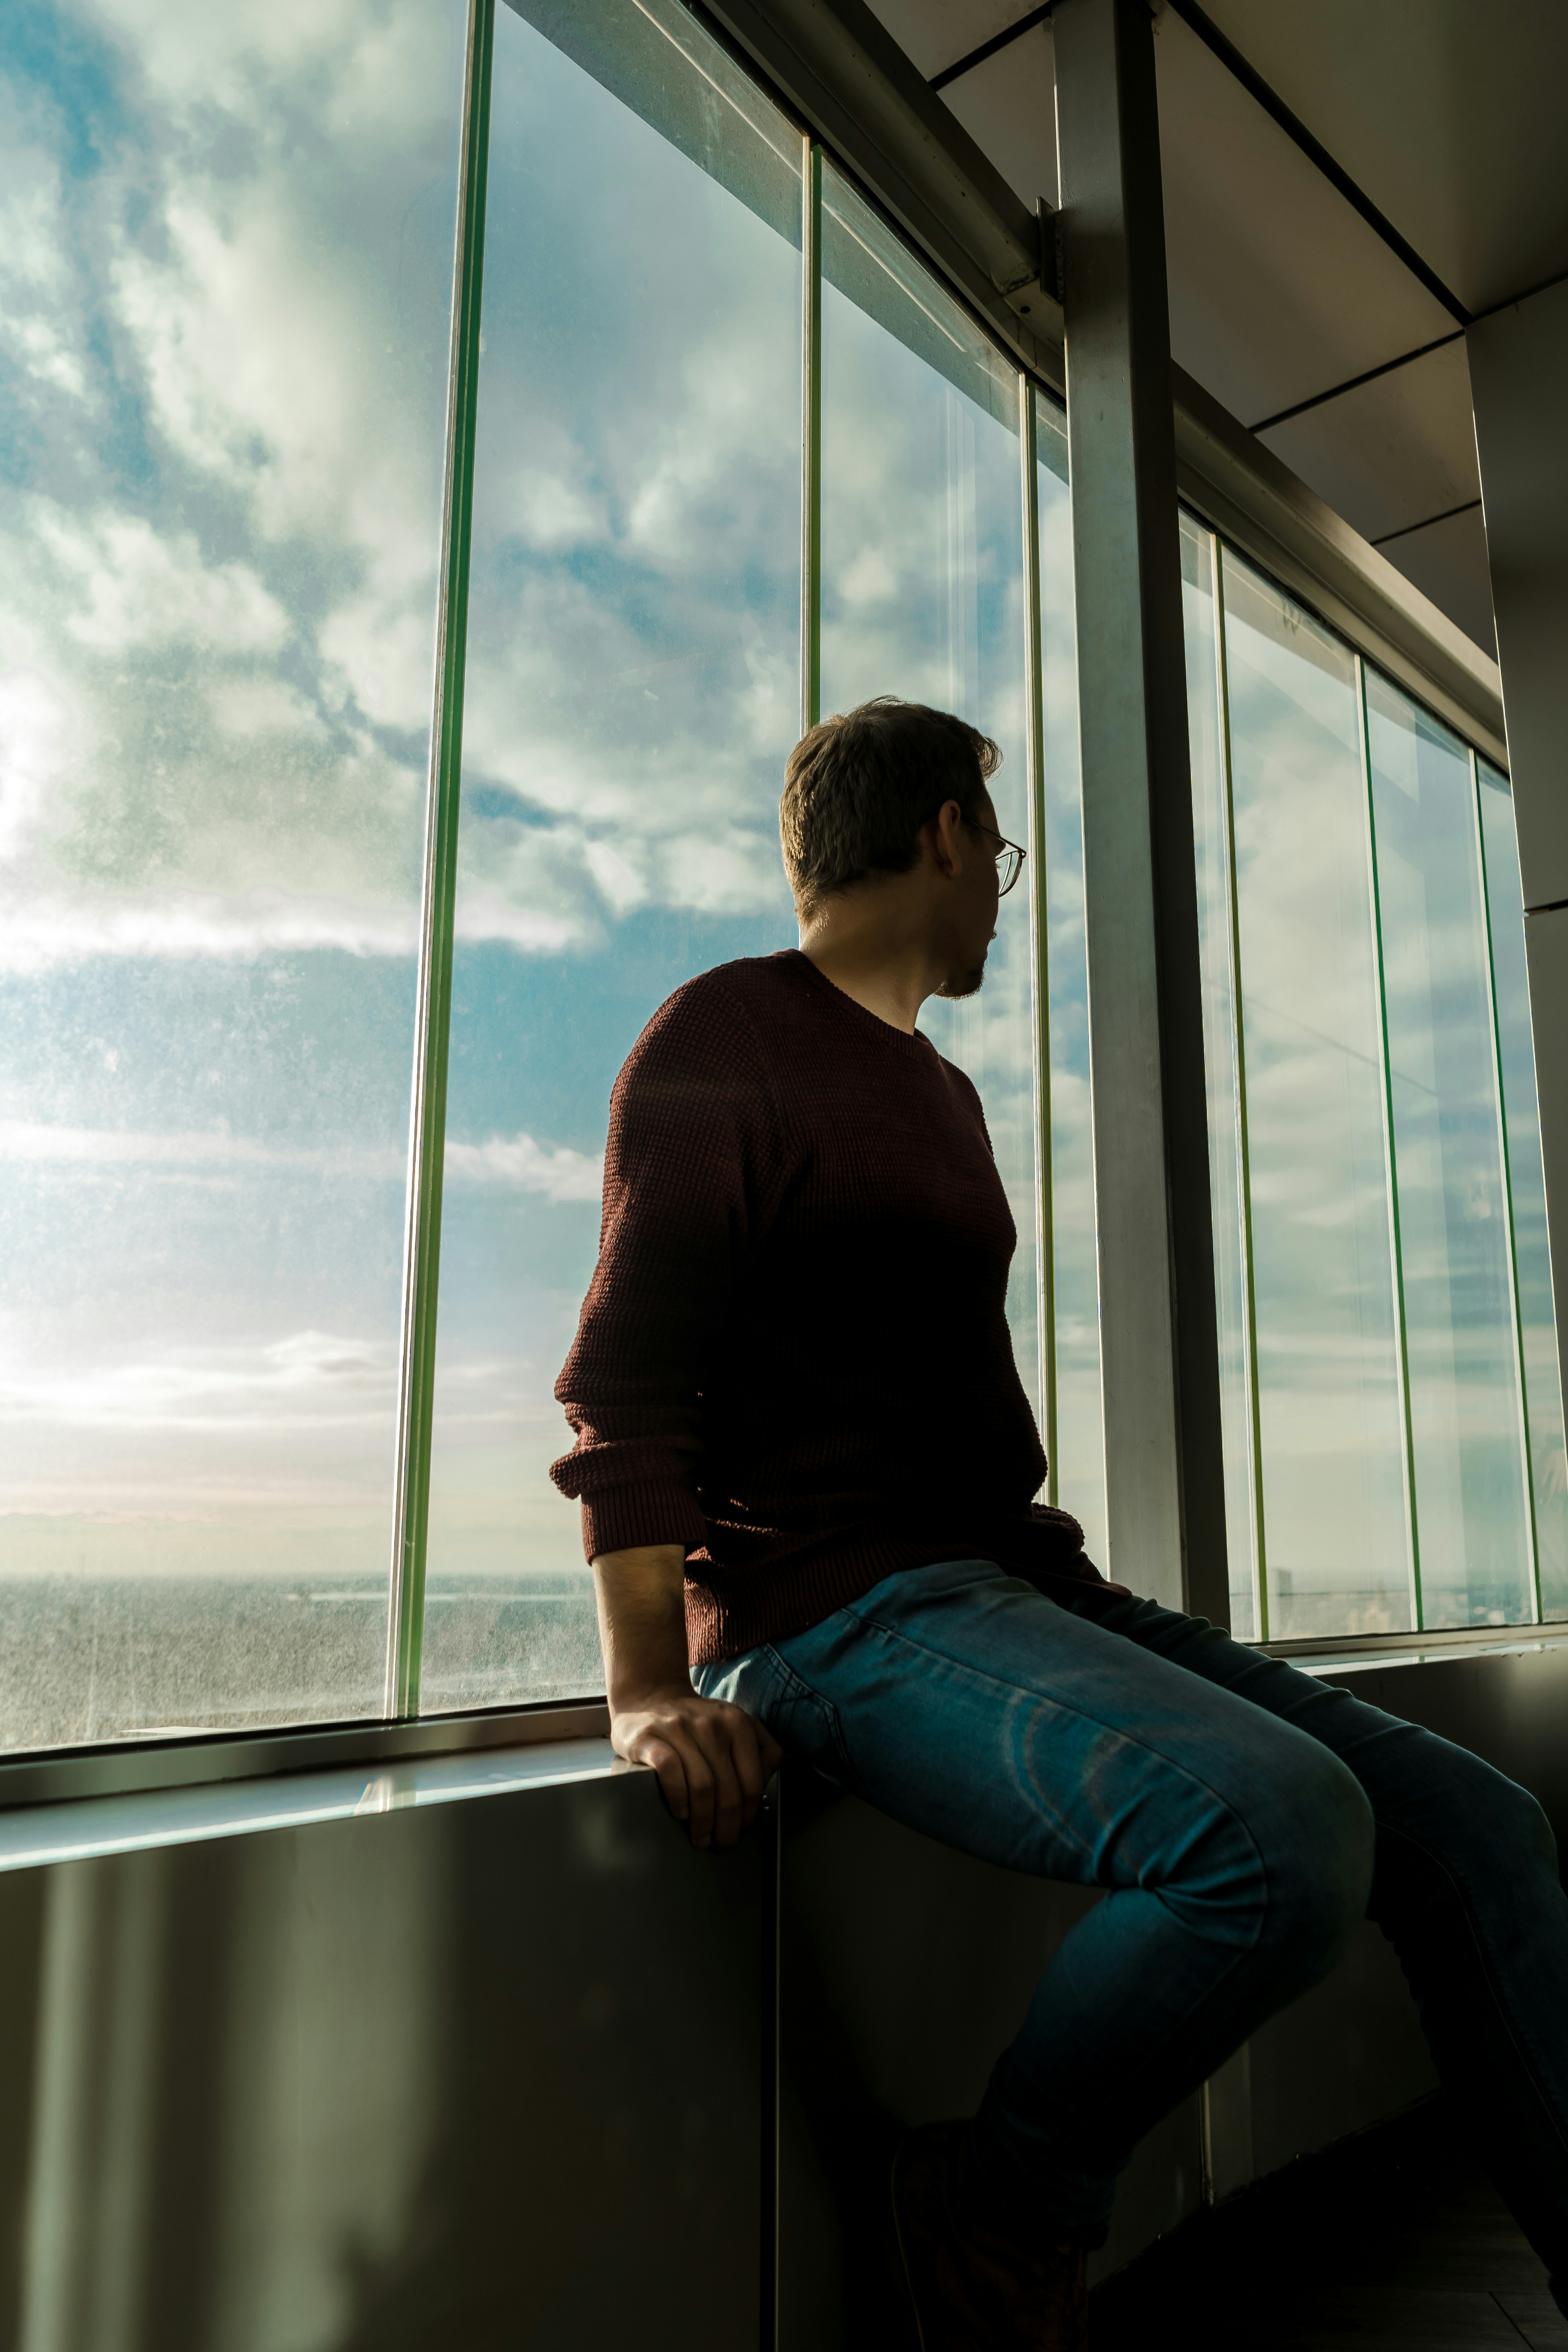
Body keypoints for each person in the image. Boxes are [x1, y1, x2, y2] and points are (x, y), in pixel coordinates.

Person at [551, 696, 1568, 2351]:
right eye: (999, 851)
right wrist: (648, 1685)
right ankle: (1000, 2205)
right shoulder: (718, 1033)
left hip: (1018, 1585)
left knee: (1474, 1828)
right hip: (836, 1616)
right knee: (1278, 1836)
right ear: (947, 833)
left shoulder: (934, 1093)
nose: (1001, 890)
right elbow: (626, 1387)